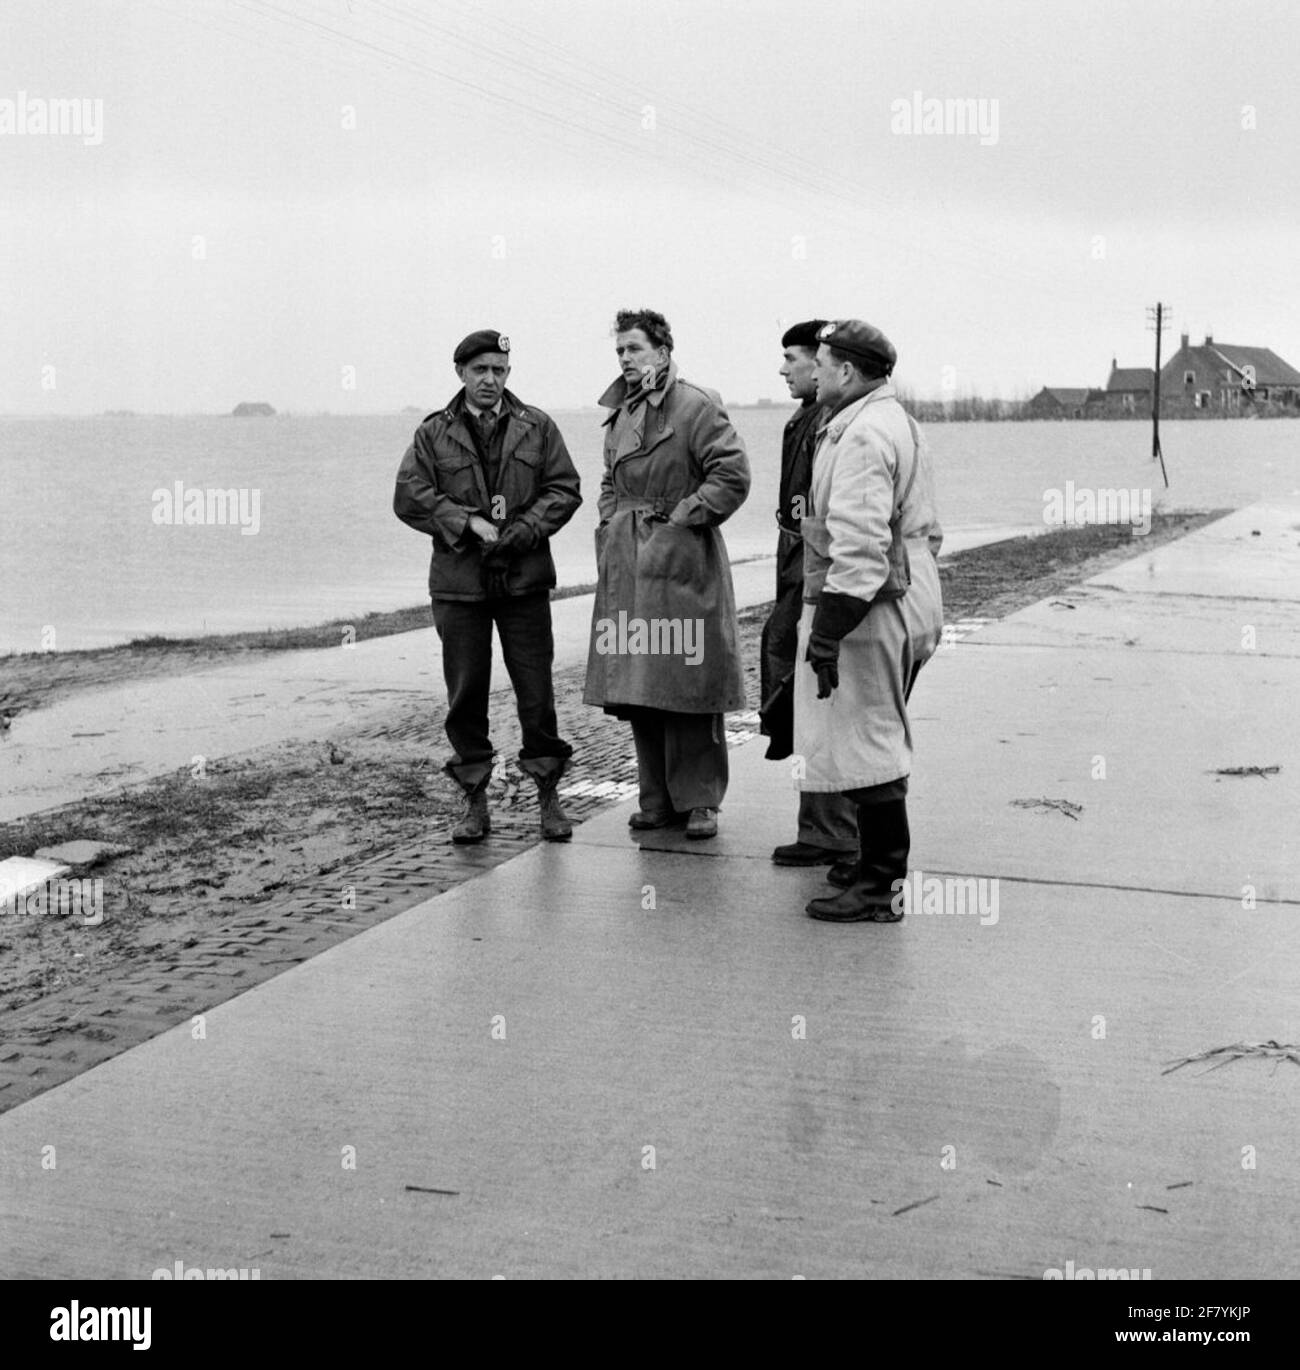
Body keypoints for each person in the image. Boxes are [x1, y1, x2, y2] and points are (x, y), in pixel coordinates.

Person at [393, 329, 582, 844]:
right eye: (480, 370)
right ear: (461, 373)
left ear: (508, 373)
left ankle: (548, 797)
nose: (490, 380)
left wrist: (523, 531)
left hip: (524, 581)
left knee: (536, 694)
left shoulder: (538, 426)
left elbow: (565, 489)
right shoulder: (433, 434)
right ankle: (474, 802)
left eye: (499, 370)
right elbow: (410, 496)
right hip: (460, 586)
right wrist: (467, 523)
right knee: (466, 695)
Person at [795, 320, 944, 922]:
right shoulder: (894, 420)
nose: (813, 371)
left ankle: (881, 885)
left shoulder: (861, 435)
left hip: (872, 605)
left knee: (870, 739)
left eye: (823, 362)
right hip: (907, 590)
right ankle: (870, 864)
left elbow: (859, 550)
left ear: (848, 372)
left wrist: (827, 632)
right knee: (871, 733)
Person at [583, 308, 750, 840]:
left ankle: (700, 801)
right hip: (627, 566)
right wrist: (610, 525)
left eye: (634, 349)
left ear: (663, 350)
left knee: (689, 683)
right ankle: (655, 798)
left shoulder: (695, 405)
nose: (626, 360)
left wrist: (681, 519)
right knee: (639, 688)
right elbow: (609, 481)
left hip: (681, 561)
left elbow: (732, 476)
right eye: (620, 352)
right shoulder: (620, 412)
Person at [761, 320, 860, 876]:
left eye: (794, 358)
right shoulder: (804, 421)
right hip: (795, 575)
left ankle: (841, 834)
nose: (786, 369)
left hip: (819, 583)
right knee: (802, 707)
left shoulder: (837, 426)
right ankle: (819, 829)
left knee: (830, 706)